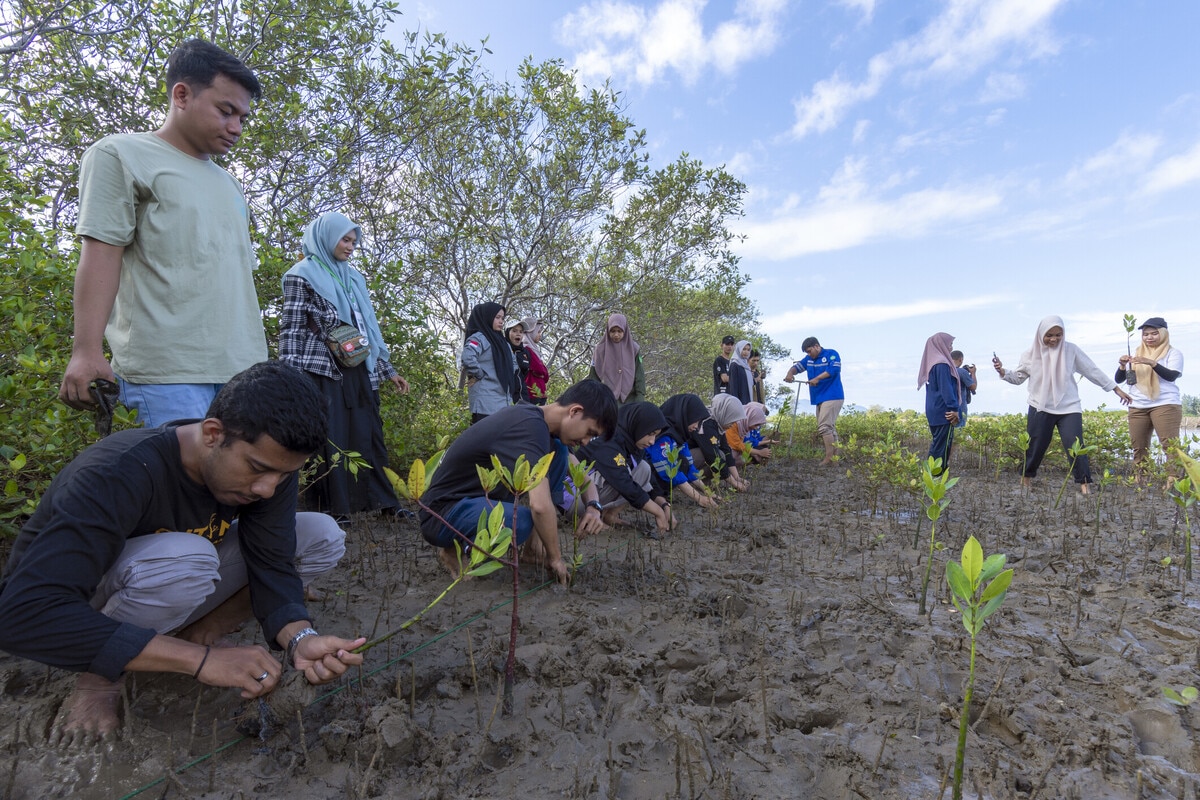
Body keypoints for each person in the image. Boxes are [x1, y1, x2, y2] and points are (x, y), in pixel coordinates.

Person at [0, 361, 364, 744]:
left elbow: (272, 561)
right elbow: (21, 613)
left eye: (283, 474)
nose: (267, 489)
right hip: (90, 602)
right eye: (258, 469)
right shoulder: (119, 471)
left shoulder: (268, 472)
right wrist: (203, 664)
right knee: (188, 557)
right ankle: (100, 680)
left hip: (169, 576)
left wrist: (300, 638)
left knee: (319, 533)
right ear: (212, 434)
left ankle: (200, 634)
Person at [58, 39, 269, 428]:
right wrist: (86, 351)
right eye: (226, 111)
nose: (236, 127)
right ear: (182, 95)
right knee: (176, 488)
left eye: (243, 117)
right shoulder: (121, 154)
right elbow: (102, 254)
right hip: (166, 375)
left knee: (241, 489)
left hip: (243, 375)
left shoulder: (229, 184)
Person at [280, 212, 410, 521]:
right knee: (331, 436)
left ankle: (385, 504)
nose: (350, 246)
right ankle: (334, 509)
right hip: (322, 368)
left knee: (370, 435)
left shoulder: (353, 277)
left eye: (354, 241)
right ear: (326, 238)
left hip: (358, 365)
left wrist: (388, 370)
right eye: (345, 239)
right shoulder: (301, 275)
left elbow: (366, 328)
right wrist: (289, 378)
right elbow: (292, 328)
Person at [420, 380, 617, 584]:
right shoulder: (528, 428)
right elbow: (539, 506)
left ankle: (533, 551)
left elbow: (582, 476)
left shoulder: (544, 428)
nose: (585, 442)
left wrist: (594, 507)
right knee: (520, 522)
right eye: (590, 433)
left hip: (475, 503)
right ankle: (452, 550)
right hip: (442, 515)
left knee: (559, 452)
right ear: (575, 411)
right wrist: (555, 558)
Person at [994, 315, 1132, 493]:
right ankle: (1026, 479)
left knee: (1076, 445)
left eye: (1058, 335)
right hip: (1039, 405)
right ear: (1040, 334)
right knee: (1035, 444)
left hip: (1069, 406)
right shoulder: (1029, 354)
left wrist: (1115, 389)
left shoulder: (1071, 350)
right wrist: (1003, 371)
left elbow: (1092, 370)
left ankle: (1084, 485)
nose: (1054, 339)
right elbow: (1018, 378)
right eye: (1049, 335)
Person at [576, 401, 676, 534]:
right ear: (638, 425)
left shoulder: (633, 442)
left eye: (656, 435)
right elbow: (623, 482)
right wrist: (657, 512)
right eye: (650, 433)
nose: (652, 441)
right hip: (576, 498)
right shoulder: (608, 437)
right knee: (625, 470)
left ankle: (609, 515)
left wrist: (664, 505)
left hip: (596, 495)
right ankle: (581, 518)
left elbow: (649, 480)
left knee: (643, 468)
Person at [1115, 316, 1185, 482]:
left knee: (1170, 446)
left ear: (1163, 333)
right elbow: (1120, 380)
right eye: (1146, 334)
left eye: (1154, 333)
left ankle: (1173, 480)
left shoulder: (1173, 353)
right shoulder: (1136, 353)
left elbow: (1171, 376)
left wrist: (1151, 362)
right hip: (1138, 405)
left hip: (1165, 404)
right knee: (1138, 446)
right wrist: (1122, 365)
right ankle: (1141, 479)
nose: (1149, 337)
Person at [645, 395, 720, 509]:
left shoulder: (680, 434)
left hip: (660, 477)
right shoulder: (663, 434)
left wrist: (707, 492)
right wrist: (699, 499)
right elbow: (669, 471)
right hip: (647, 478)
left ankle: (662, 494)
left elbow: (690, 468)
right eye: (695, 421)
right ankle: (652, 497)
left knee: (683, 462)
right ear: (685, 416)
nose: (696, 426)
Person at [663, 394, 750, 491]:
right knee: (718, 456)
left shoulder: (719, 425)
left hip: (688, 457)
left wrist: (737, 478)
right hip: (682, 457)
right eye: (732, 419)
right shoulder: (706, 424)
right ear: (725, 413)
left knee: (722, 454)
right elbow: (711, 456)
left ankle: (701, 484)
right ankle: (689, 483)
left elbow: (726, 450)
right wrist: (734, 483)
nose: (733, 424)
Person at [784, 337, 844, 465]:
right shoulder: (809, 359)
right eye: (806, 352)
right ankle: (836, 458)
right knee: (829, 427)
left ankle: (829, 458)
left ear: (817, 346)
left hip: (832, 395)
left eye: (809, 351)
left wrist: (817, 378)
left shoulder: (831, 354)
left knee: (824, 427)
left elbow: (834, 370)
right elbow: (797, 367)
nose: (808, 354)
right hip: (819, 397)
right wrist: (790, 373)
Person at [461, 302, 520, 424]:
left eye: (502, 318)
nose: (501, 321)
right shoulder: (480, 338)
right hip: (485, 402)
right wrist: (480, 374)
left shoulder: (503, 342)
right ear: (487, 316)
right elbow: (468, 357)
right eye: (497, 317)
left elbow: (513, 363)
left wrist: (507, 374)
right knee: (484, 441)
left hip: (503, 402)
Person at [920, 333, 963, 469]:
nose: (951, 348)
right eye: (949, 344)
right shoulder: (942, 364)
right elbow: (946, 389)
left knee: (937, 443)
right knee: (942, 447)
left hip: (934, 410)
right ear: (941, 345)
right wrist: (954, 409)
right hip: (945, 412)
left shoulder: (931, 363)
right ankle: (936, 476)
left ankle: (931, 474)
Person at [588, 313, 645, 404]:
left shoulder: (634, 349)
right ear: (608, 330)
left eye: (619, 331)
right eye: (613, 331)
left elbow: (639, 373)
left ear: (625, 331)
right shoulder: (600, 349)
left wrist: (640, 396)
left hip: (630, 399)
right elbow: (593, 375)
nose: (616, 335)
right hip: (607, 399)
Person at [520, 317, 550, 406]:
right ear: (531, 332)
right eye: (538, 332)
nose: (539, 335)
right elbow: (540, 369)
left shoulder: (534, 349)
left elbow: (544, 375)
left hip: (538, 394)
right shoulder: (527, 349)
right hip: (532, 394)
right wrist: (542, 371)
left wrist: (543, 372)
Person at [505, 318, 533, 403]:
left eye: (521, 332)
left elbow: (525, 374)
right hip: (504, 397)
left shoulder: (525, 353)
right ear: (507, 332)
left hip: (522, 397)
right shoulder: (502, 349)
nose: (518, 334)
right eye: (514, 331)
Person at [951, 350, 977, 427]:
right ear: (961, 359)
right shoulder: (961, 372)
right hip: (960, 408)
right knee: (959, 432)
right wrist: (973, 373)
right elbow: (973, 387)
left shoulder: (944, 371)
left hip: (947, 409)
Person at [727, 340, 754, 404]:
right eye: (744, 349)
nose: (746, 352)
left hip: (748, 400)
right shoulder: (734, 365)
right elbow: (733, 387)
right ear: (739, 349)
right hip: (739, 402)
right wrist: (736, 404)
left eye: (748, 350)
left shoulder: (746, 366)